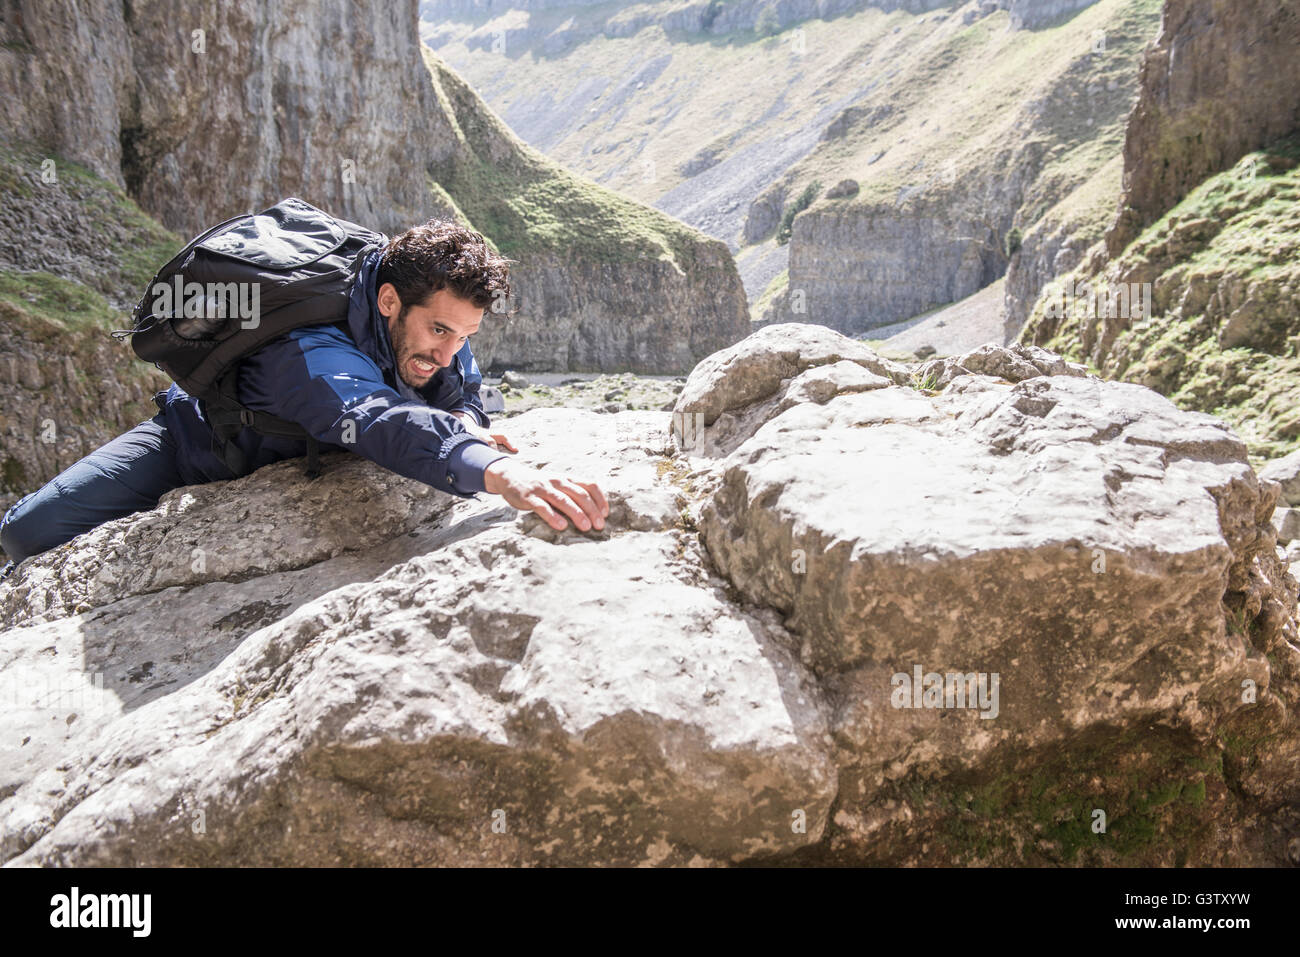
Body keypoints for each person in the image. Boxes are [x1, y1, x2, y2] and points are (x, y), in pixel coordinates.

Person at [0, 218, 608, 577]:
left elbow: (464, 387)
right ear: (390, 300)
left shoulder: (433, 326)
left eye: (465, 335)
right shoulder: (308, 346)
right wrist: (497, 471)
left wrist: (466, 419)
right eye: (440, 331)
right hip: (193, 447)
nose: (449, 351)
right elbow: (372, 416)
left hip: (282, 452)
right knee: (25, 533)